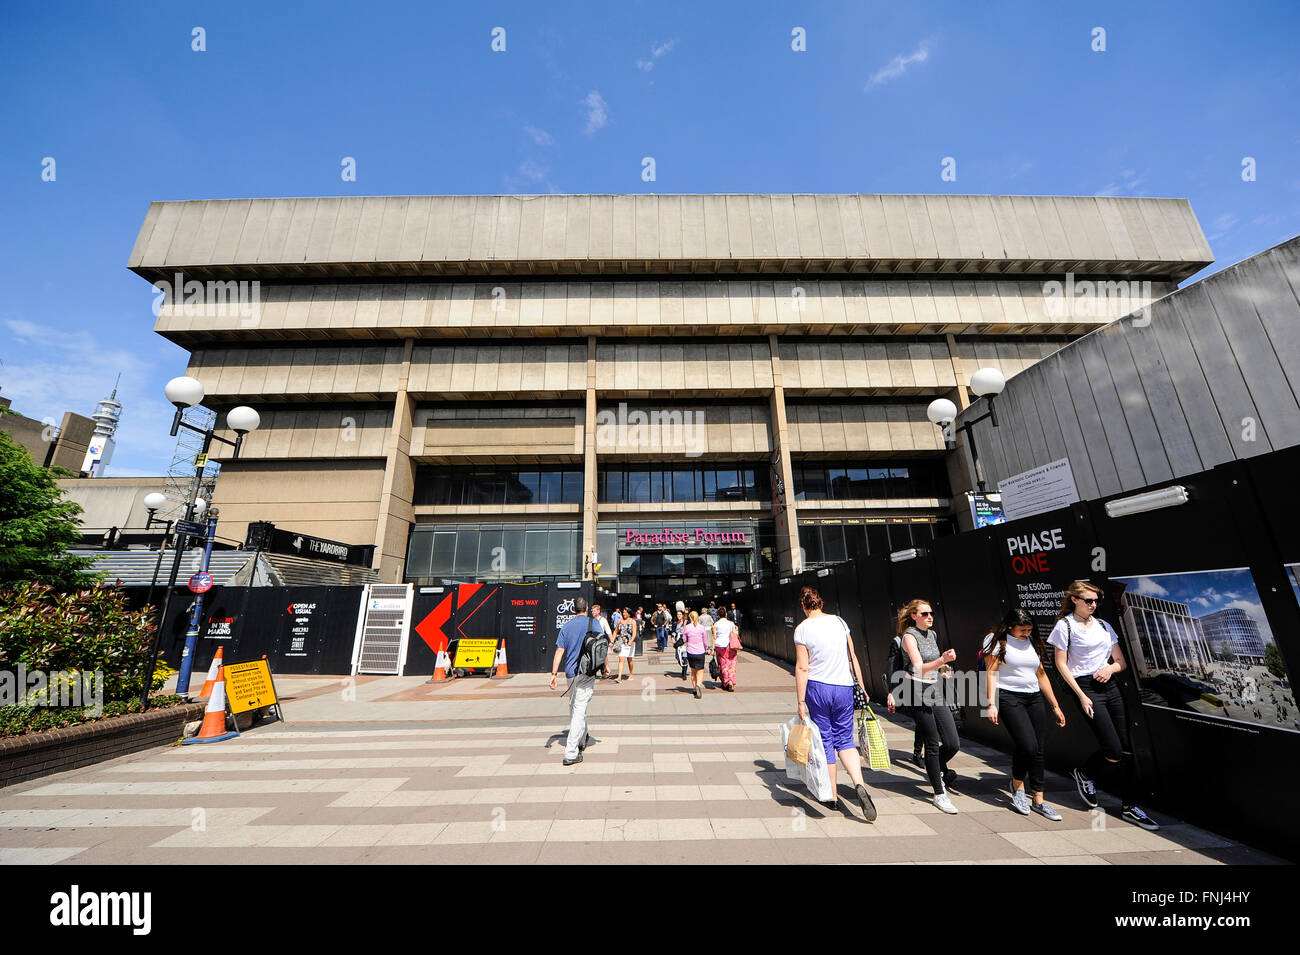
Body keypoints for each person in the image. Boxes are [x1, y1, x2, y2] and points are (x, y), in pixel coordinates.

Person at [1048, 580, 1159, 831]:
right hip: (1086, 688)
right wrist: (1081, 695)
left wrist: (1110, 668)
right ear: (1075, 600)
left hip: (1110, 686)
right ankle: (1085, 773)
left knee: (1127, 749)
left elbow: (1120, 661)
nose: (1094, 605)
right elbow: (1061, 664)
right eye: (1088, 600)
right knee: (1113, 750)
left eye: (1096, 600)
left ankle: (1130, 806)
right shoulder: (1064, 626)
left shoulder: (1103, 625)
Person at [793, 586, 876, 822]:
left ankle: (833, 796)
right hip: (844, 687)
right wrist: (861, 686)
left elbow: (802, 667)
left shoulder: (802, 629)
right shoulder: (840, 622)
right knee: (845, 740)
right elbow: (852, 657)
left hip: (818, 688)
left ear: (803, 606)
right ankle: (859, 784)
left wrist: (800, 700)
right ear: (821, 603)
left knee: (825, 741)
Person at [983, 608, 1065, 820]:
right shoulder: (996, 640)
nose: (1026, 633)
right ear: (1010, 627)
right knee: (1027, 746)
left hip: (1034, 697)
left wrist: (1055, 705)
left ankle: (1039, 800)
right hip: (1009, 697)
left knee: (1038, 750)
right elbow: (991, 672)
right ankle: (1017, 786)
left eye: (1029, 629)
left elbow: (1041, 674)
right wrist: (990, 703)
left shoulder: (1033, 641)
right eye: (1022, 630)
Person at [899, 598, 961, 814]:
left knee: (952, 743)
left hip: (935, 689)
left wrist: (944, 670)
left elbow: (932, 665)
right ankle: (939, 793)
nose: (930, 617)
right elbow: (917, 668)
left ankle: (934, 766)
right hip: (915, 690)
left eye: (931, 613)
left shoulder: (932, 635)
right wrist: (942, 660)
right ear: (914, 616)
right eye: (924, 614)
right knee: (932, 742)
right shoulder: (909, 636)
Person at [549, 597, 599, 766]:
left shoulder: (566, 626)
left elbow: (559, 651)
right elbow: (601, 646)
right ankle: (571, 752)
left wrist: (554, 674)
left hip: (570, 674)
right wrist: (606, 666)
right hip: (588, 672)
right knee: (579, 708)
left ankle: (582, 737)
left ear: (573, 610)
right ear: (586, 609)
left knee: (575, 706)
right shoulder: (593, 624)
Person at [681, 610, 711, 699]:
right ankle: (698, 685)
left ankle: (694, 688)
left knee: (693, 671)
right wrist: (706, 648)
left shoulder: (687, 627)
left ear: (690, 617)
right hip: (700, 651)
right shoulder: (702, 628)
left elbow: (684, 639)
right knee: (700, 671)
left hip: (690, 651)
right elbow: (705, 641)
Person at [713, 607, 740, 691]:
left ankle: (725, 681)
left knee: (723, 664)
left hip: (720, 645)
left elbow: (714, 637)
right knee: (732, 663)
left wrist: (712, 649)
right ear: (726, 614)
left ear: (718, 615)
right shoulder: (731, 623)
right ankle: (731, 681)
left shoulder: (716, 624)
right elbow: (735, 633)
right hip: (730, 645)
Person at [612, 606, 637, 682]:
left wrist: (631, 641)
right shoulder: (619, 621)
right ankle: (619, 677)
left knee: (629, 659)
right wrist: (612, 640)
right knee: (621, 658)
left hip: (629, 642)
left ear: (629, 614)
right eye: (623, 612)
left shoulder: (632, 621)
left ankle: (631, 673)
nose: (624, 614)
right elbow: (616, 631)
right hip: (621, 642)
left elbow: (634, 633)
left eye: (626, 612)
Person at [674, 609, 690, 680]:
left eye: (680, 615)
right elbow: (673, 633)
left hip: (684, 642)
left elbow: (685, 632)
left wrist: (684, 625)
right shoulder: (675, 623)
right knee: (678, 657)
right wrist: (673, 640)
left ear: (683, 615)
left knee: (684, 657)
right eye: (677, 615)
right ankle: (683, 666)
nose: (678, 616)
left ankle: (684, 672)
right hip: (678, 642)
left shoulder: (686, 622)